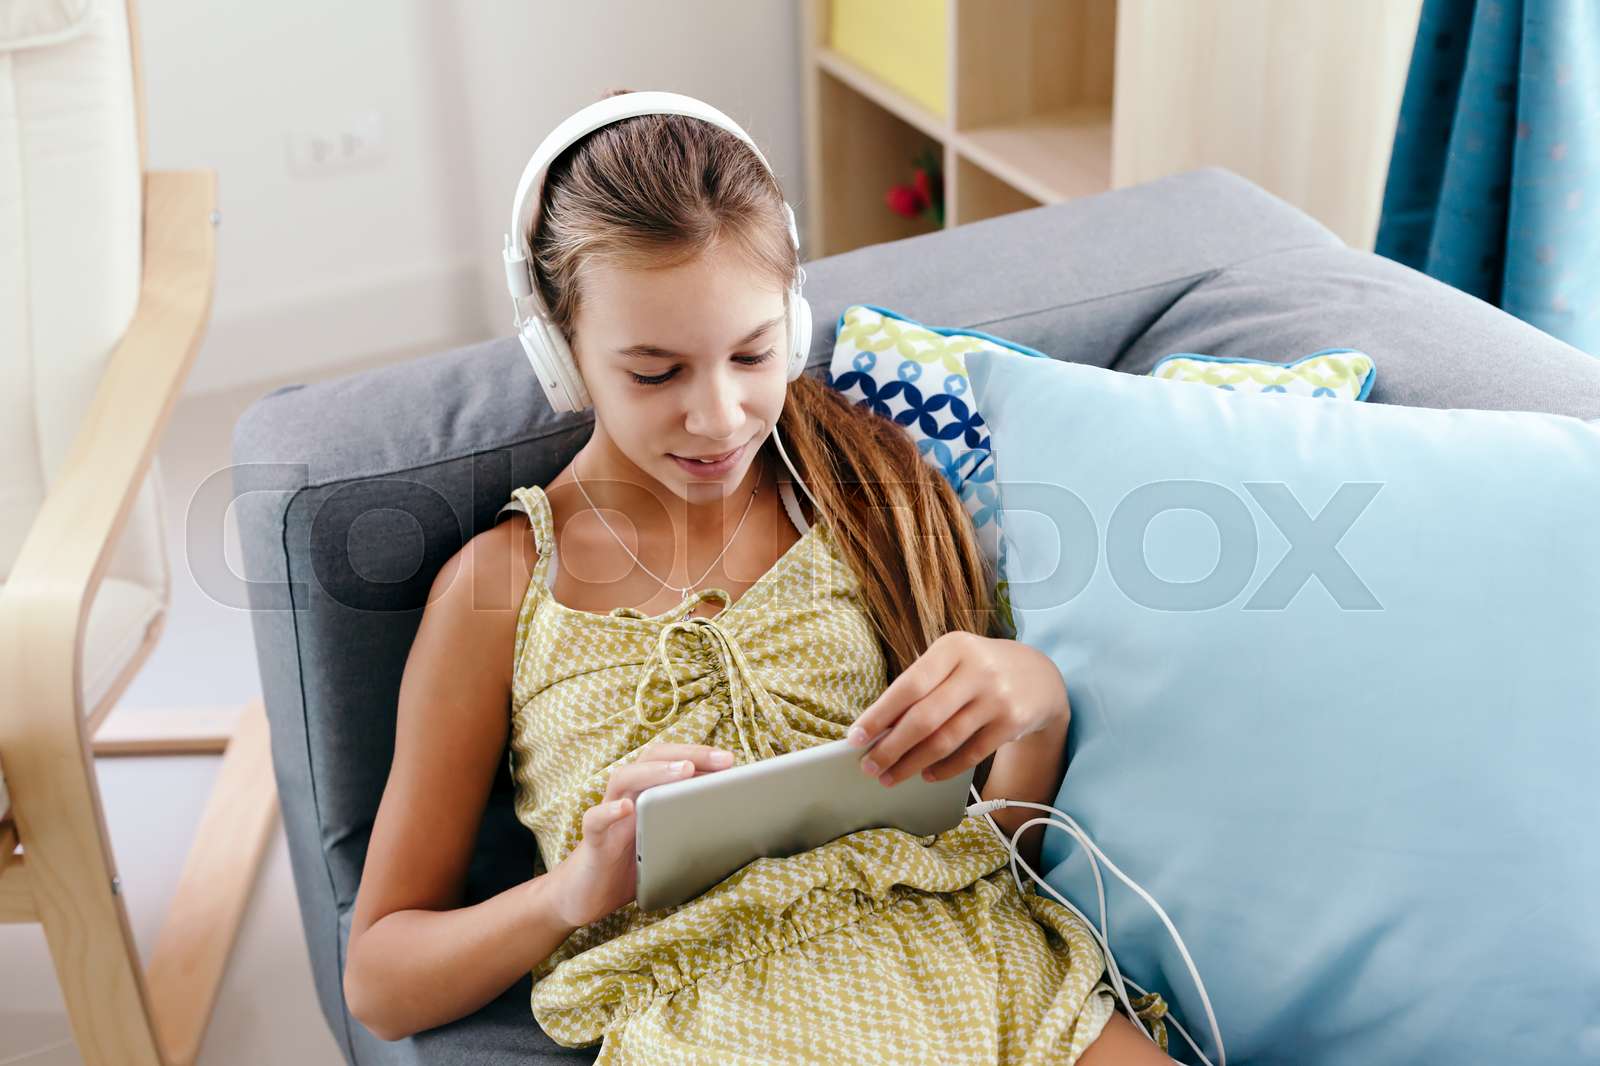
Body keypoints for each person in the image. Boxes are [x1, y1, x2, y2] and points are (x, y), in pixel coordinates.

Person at [342, 88, 1173, 1064]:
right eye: (656, 373)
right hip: (721, 1023)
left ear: (795, 320)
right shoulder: (498, 587)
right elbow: (382, 982)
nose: (721, 415)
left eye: (751, 352)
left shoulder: (868, 495)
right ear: (560, 356)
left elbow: (994, 855)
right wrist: (571, 892)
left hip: (996, 981)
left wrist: (1037, 709)